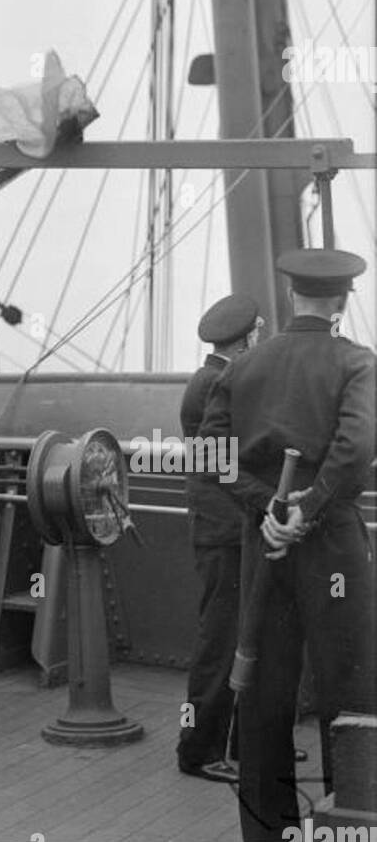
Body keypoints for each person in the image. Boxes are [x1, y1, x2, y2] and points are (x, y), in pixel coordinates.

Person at [199, 248, 376, 842]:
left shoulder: (244, 367)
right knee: (349, 685)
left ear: (292, 297)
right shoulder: (356, 362)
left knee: (264, 691)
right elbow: (355, 451)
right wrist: (311, 504)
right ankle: (344, 827)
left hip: (265, 544)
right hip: (332, 548)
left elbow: (212, 452)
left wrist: (267, 507)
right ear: (342, 301)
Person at [176, 294, 261, 783]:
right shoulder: (216, 384)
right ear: (247, 338)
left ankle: (243, 740)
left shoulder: (211, 378)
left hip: (228, 528)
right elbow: (220, 461)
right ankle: (198, 750)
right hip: (223, 531)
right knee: (219, 642)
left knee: (240, 636)